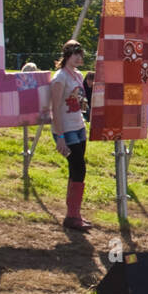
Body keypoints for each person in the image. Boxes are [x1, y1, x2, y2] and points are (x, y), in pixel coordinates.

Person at [50, 39, 91, 231]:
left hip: (79, 126)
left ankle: (73, 213)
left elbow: (81, 102)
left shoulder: (77, 75)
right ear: (67, 55)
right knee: (78, 168)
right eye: (75, 53)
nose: (79, 57)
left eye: (80, 53)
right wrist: (59, 137)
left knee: (76, 169)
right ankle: (72, 215)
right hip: (66, 129)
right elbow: (55, 109)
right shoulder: (60, 78)